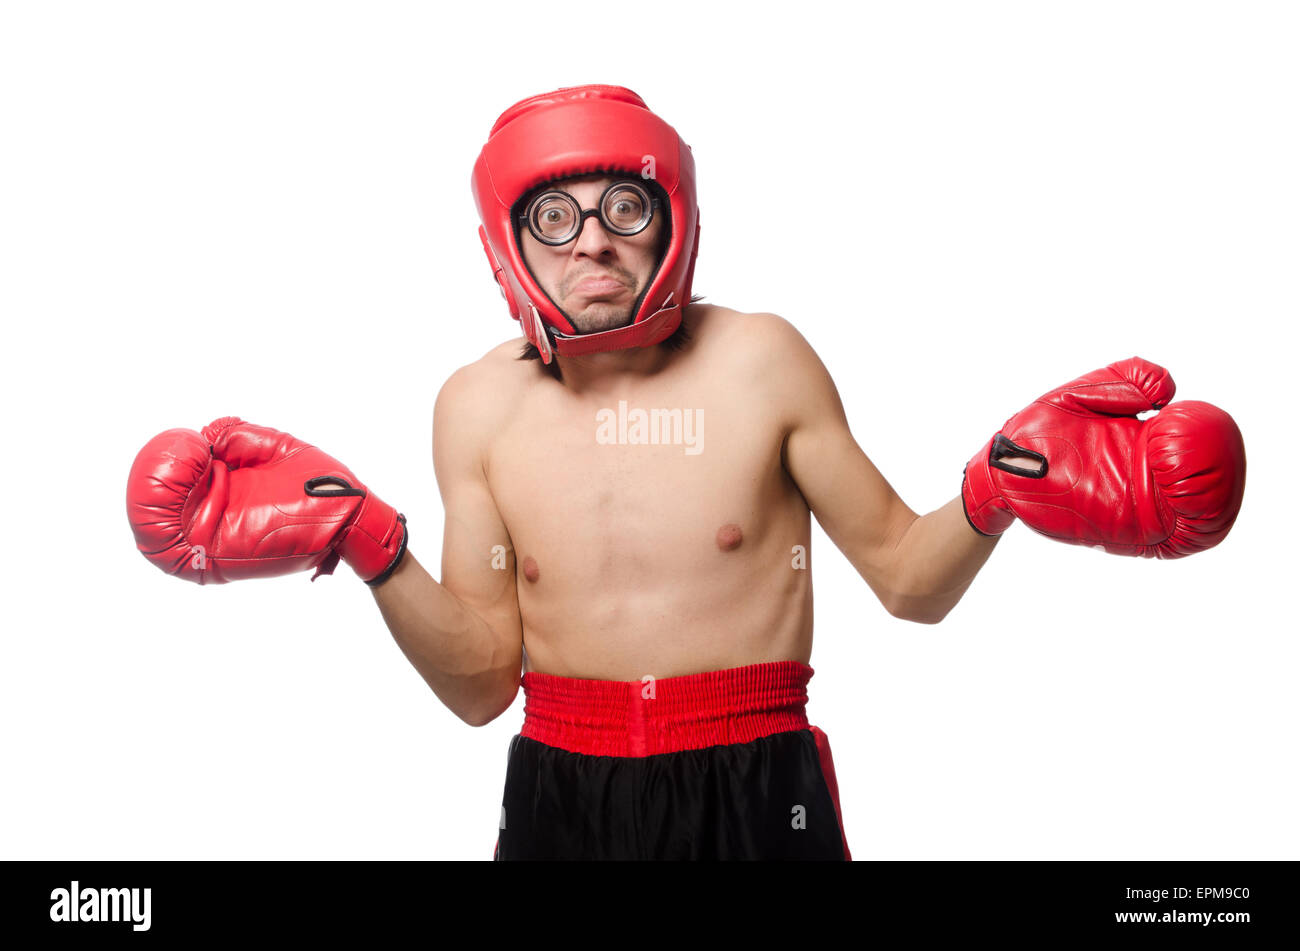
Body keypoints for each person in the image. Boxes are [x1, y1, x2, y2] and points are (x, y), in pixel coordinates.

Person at [126, 85, 1247, 861]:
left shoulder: (759, 359)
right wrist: (371, 549)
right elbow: (479, 687)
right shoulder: (476, 404)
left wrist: (996, 488)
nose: (593, 244)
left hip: (754, 780)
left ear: (673, 218)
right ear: (506, 242)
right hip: (561, 783)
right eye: (552, 218)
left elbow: (909, 582)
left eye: (624, 209)